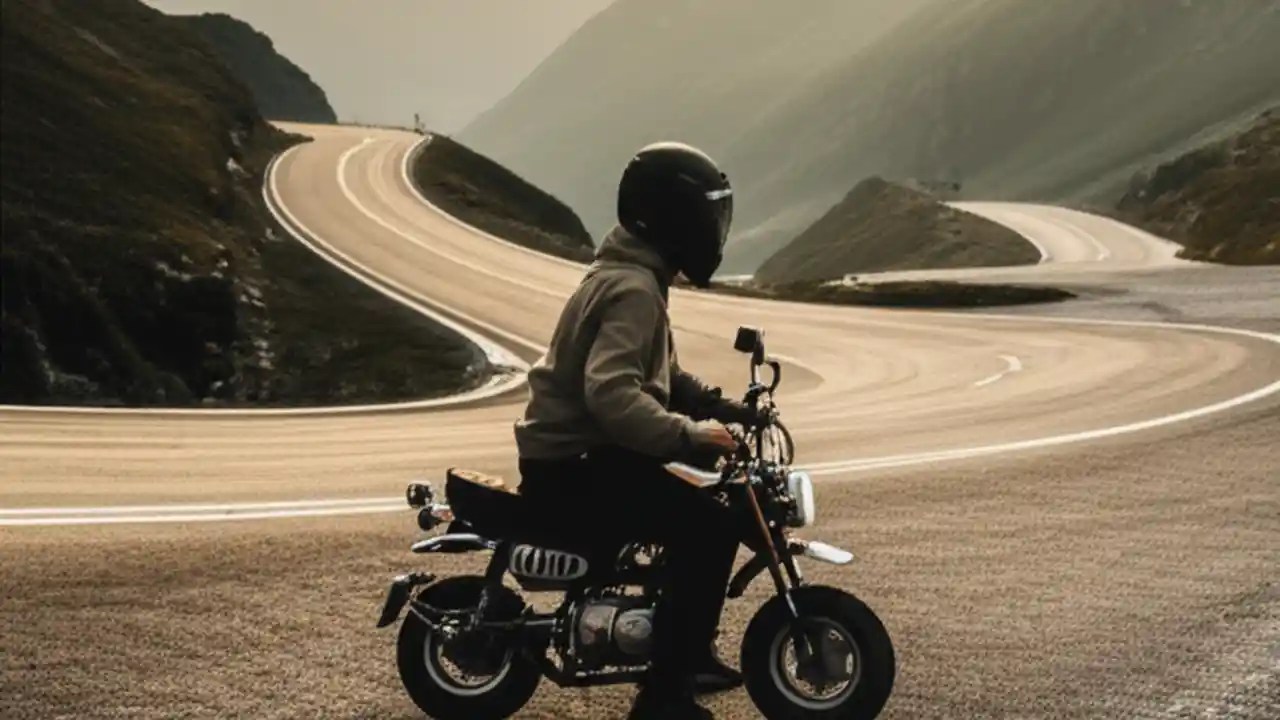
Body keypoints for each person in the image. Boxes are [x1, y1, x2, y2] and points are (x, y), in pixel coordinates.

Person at [515, 142, 755, 719]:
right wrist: (691, 435)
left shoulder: (630, 275)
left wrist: (723, 408)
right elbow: (612, 394)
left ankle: (686, 652)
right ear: (676, 218)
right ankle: (664, 697)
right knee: (708, 526)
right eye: (707, 216)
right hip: (577, 463)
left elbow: (662, 374)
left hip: (585, 455)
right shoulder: (634, 290)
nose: (713, 230)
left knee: (705, 513)